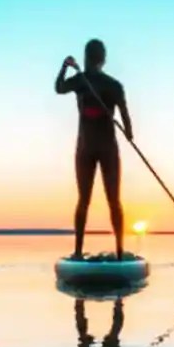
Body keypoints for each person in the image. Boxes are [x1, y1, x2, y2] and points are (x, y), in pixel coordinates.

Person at [55, 39, 133, 260]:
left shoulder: (87, 82)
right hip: (103, 149)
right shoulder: (108, 84)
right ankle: (117, 254)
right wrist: (129, 132)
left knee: (85, 200)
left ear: (88, 58)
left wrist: (63, 66)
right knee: (113, 201)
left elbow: (59, 87)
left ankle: (79, 253)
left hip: (88, 149)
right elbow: (126, 117)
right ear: (103, 59)